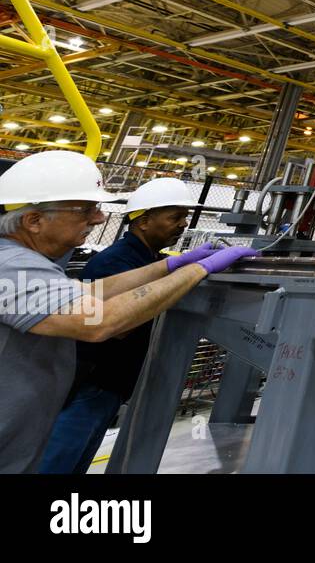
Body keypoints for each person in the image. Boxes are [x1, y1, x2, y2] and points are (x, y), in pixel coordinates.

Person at [0, 151, 256, 473]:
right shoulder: (11, 267)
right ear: (34, 220)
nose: (98, 219)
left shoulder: (26, 264)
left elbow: (89, 292)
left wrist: (171, 264)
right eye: (86, 210)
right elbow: (99, 319)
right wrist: (196, 271)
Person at [38, 177, 199, 474]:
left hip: (109, 387)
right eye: (175, 217)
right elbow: (115, 324)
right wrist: (183, 278)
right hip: (90, 386)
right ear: (144, 220)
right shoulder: (115, 261)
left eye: (185, 217)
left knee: (75, 465)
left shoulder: (147, 258)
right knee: (55, 465)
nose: (183, 224)